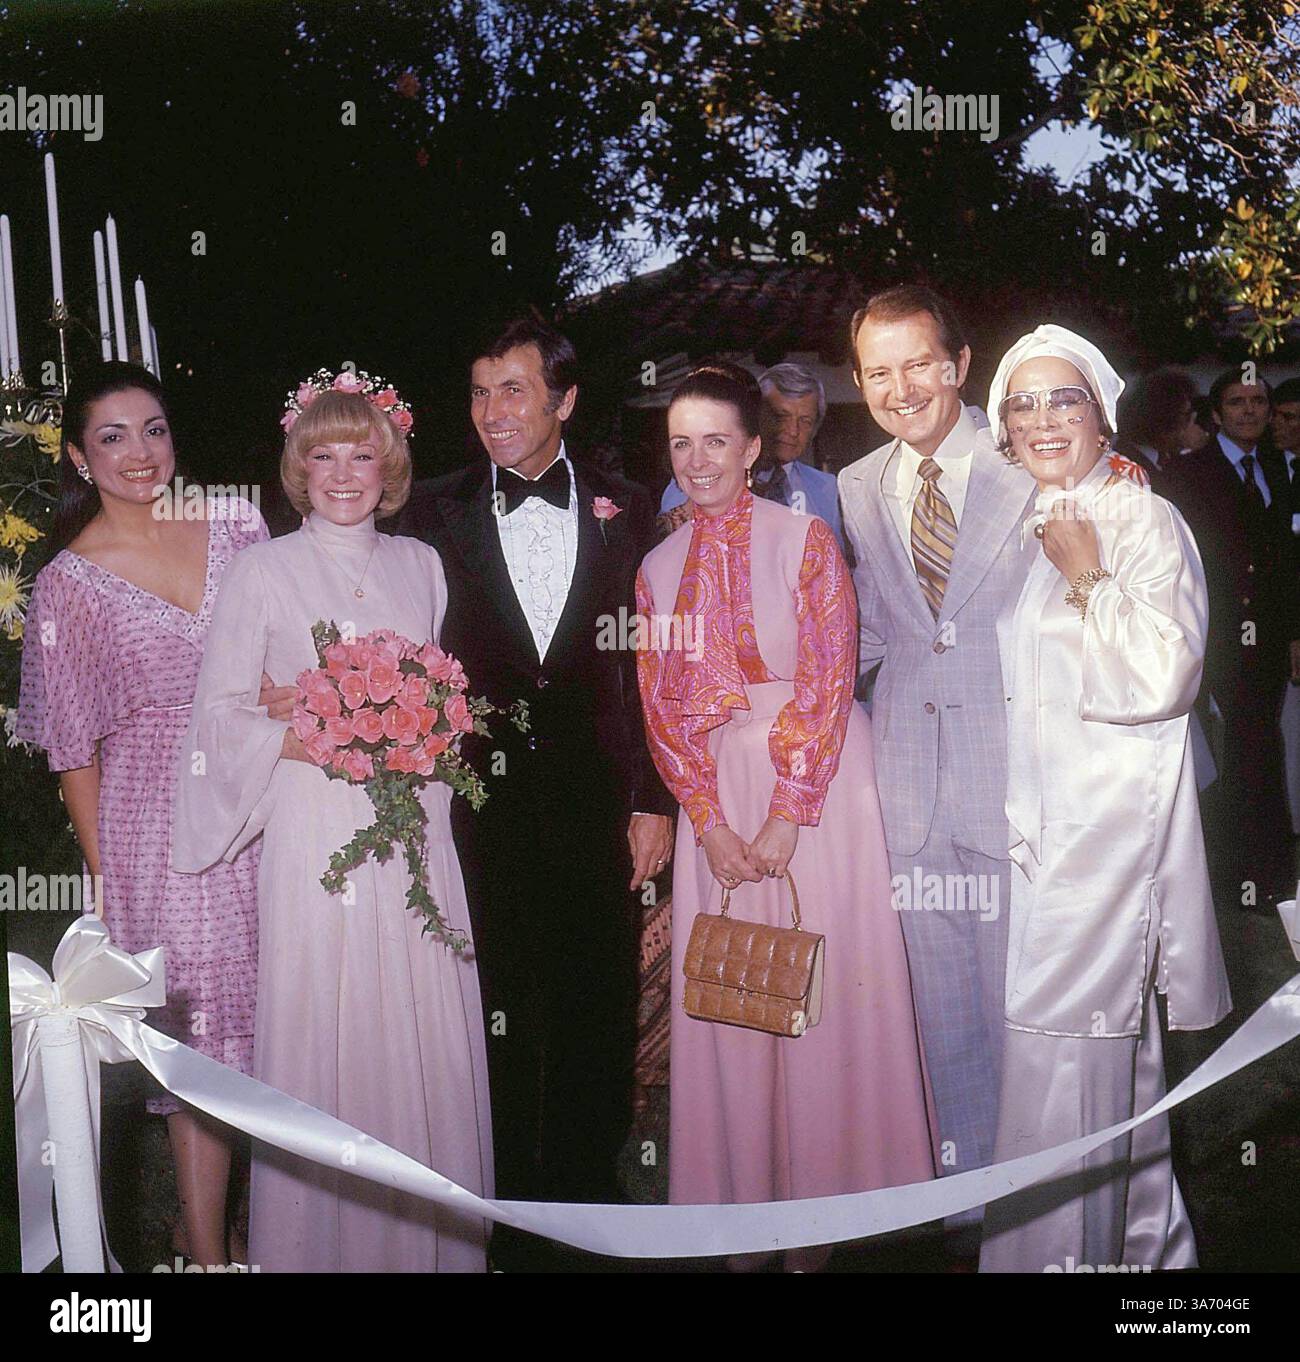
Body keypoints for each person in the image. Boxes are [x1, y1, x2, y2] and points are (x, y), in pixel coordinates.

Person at [172, 376, 491, 1272]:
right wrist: (320, 732)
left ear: (390, 464)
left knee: (418, 1021)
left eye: (363, 453)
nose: (345, 473)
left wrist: (422, 723)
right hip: (318, 831)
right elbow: (220, 719)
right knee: (327, 1022)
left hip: (416, 827)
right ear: (298, 468)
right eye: (324, 455)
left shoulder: (422, 566)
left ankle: (429, 1247)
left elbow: (441, 697)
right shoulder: (259, 570)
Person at [637, 360, 935, 1273]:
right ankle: (743, 1219)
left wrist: (786, 814)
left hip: (821, 794)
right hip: (716, 806)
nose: (698, 460)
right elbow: (661, 706)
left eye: (716, 440)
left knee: (818, 995)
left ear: (755, 449)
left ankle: (823, 1217)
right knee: (736, 997)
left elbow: (830, 674)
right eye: (681, 443)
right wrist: (712, 820)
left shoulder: (804, 541)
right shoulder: (654, 565)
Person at [397, 317, 675, 1269]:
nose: (491, 414)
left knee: (598, 1004)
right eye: (478, 393)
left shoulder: (634, 509)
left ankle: (592, 1211)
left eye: (513, 391)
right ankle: (503, 1211)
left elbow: (652, 673)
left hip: (604, 805)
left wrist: (654, 800)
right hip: (475, 806)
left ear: (564, 401)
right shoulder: (427, 513)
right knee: (494, 1007)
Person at [977, 325, 1231, 1272]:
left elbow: (1165, 672)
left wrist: (1086, 572)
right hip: (1045, 846)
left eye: (1065, 399)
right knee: (1110, 1081)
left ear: (1101, 414)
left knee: (1063, 1085)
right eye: (1023, 404)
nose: (1043, 420)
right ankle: (1146, 1268)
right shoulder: (1028, 516)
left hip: (1106, 851)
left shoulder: (1140, 520)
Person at [17, 361, 263, 1269]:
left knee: (282, 1015)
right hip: (152, 823)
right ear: (80, 458)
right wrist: (105, 876)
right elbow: (72, 747)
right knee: (201, 1037)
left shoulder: (241, 525)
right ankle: (207, 1251)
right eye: (112, 436)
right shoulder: (68, 585)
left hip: (266, 797)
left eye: (153, 429)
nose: (138, 452)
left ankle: (273, 1225)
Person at [836, 285, 1034, 1241]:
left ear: (960, 366)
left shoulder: (1028, 462)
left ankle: (1044, 1227)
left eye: (920, 362)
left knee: (1026, 1023)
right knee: (945, 1029)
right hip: (909, 793)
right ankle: (969, 1228)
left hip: (1018, 787)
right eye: (880, 370)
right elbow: (870, 632)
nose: (901, 386)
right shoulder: (855, 485)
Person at [1162, 370, 1300, 906]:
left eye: (1259, 401)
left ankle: (1266, 878)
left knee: (1261, 746)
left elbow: (1287, 561)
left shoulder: (1279, 469)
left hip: (1266, 640)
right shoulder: (1186, 473)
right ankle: (1227, 879)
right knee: (1228, 755)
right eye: (1237, 402)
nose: (1250, 411)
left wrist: (1292, 632)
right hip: (1212, 635)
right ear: (1216, 413)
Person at [660, 362, 847, 554]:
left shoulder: (828, 487)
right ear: (754, 418)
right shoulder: (698, 480)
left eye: (805, 421)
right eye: (779, 416)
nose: (792, 431)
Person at [1114, 367, 1211, 483]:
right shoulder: (1127, 470)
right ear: (1163, 418)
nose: (1192, 423)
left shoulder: (1163, 458)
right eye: (1186, 415)